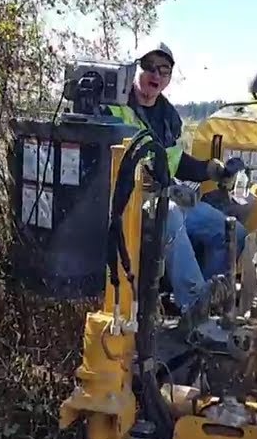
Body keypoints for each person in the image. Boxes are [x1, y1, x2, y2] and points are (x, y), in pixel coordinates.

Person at [103, 40, 247, 327]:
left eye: (164, 70)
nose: (155, 75)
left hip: (163, 195)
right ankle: (192, 302)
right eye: (149, 67)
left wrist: (211, 170)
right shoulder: (113, 107)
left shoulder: (167, 116)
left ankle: (203, 309)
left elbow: (174, 160)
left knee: (233, 232)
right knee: (167, 213)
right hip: (127, 201)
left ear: (169, 78)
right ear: (135, 69)